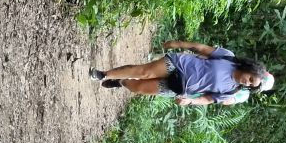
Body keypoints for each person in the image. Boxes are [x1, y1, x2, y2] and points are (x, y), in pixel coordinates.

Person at [90, 40, 274, 106]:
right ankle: (104, 74)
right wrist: (178, 44)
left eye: (251, 85)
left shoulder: (232, 91)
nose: (248, 83)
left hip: (180, 87)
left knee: (139, 88)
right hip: (180, 65)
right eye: (251, 79)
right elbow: (202, 48)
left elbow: (208, 99)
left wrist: (191, 101)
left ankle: (121, 82)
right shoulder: (228, 58)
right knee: (145, 72)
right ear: (250, 69)